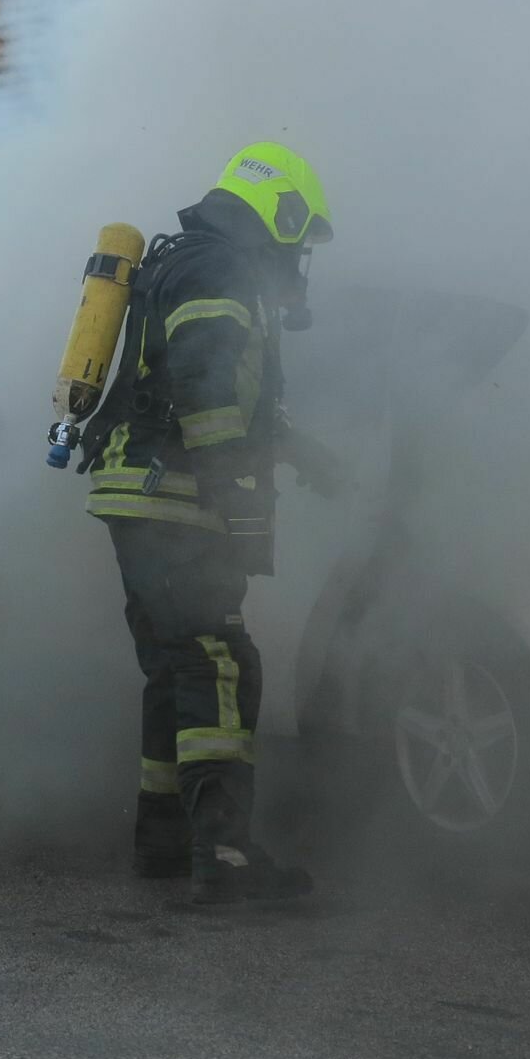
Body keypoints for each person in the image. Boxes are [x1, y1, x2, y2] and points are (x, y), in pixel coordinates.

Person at [79, 142, 336, 904]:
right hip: (175, 499)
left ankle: (162, 841)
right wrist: (233, 490)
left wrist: (310, 458)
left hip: (138, 492)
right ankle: (222, 853)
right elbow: (205, 387)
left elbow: (225, 394)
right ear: (281, 213)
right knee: (220, 662)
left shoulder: (187, 261)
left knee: (175, 667)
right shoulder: (221, 271)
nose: (300, 259)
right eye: (300, 237)